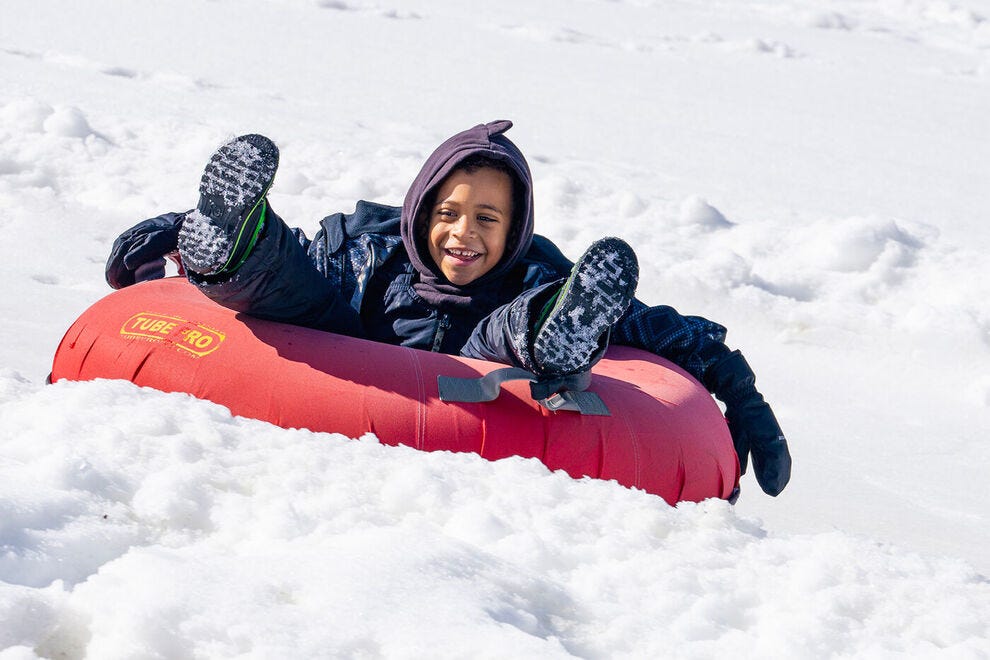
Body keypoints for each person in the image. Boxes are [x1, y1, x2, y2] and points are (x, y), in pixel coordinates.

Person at [106, 120, 791, 496]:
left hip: (487, 364)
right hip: (342, 336)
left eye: (488, 219)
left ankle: (554, 332)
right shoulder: (370, 249)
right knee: (297, 291)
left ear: (514, 228)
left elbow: (652, 326)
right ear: (420, 211)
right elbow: (303, 267)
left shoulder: (534, 271)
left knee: (503, 333)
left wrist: (733, 383)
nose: (465, 234)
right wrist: (179, 231)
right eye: (448, 213)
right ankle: (233, 239)